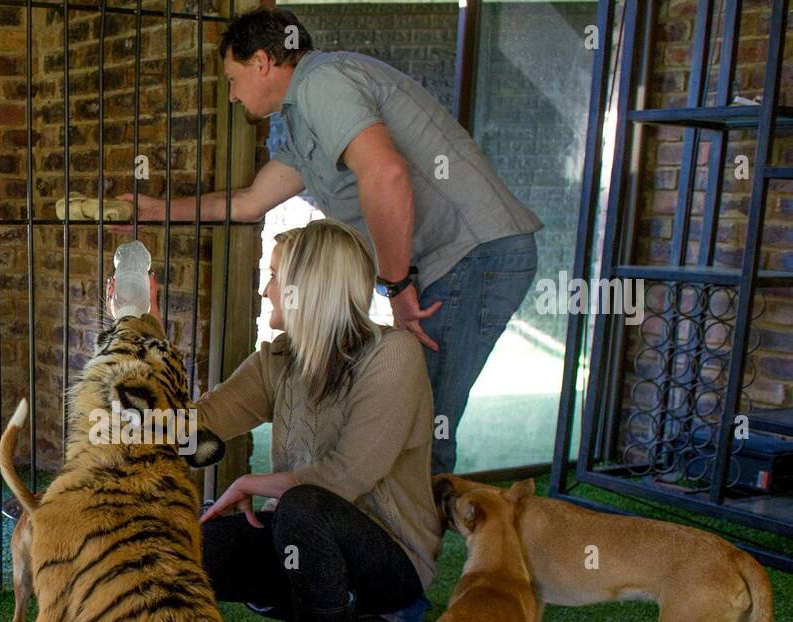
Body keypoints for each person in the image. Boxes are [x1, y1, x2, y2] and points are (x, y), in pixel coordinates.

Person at [117, 7, 541, 478]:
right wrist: (155, 211)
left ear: (262, 61)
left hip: (470, 255)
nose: (233, 95)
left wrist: (398, 288)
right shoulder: (304, 117)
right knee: (411, 414)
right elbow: (250, 202)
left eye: (233, 79)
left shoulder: (323, 82)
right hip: (451, 262)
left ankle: (409, 546)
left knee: (423, 423)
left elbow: (386, 173)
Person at [190, 218, 442, 622]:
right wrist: (140, 329)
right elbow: (200, 421)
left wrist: (251, 482)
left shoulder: (393, 354)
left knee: (305, 508)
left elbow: (347, 477)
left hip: (391, 563)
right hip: (299, 543)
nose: (265, 291)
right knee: (194, 542)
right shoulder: (280, 359)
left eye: (275, 276)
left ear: (310, 287)